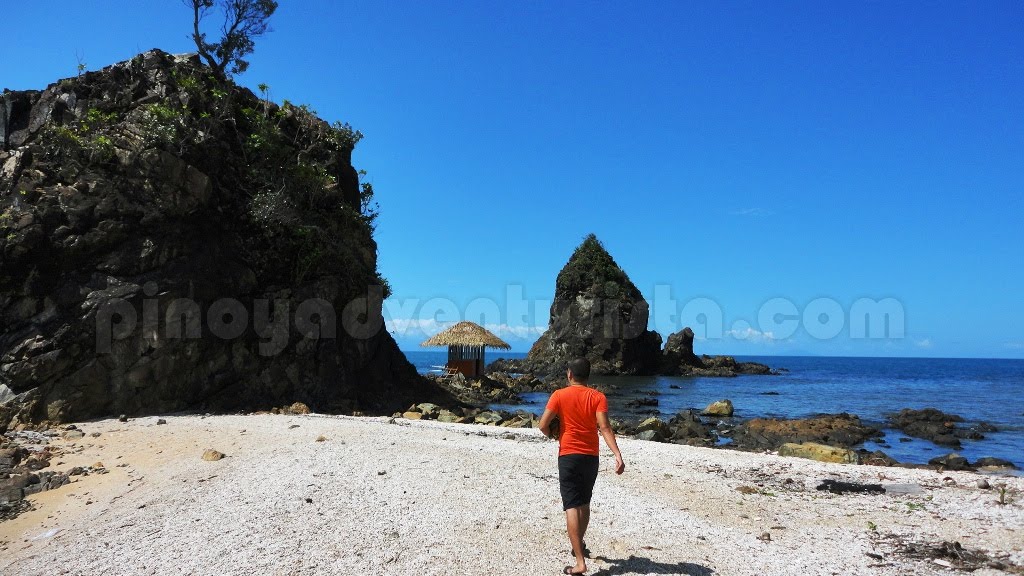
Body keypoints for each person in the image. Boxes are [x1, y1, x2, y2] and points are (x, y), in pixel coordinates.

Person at [538, 357, 625, 575]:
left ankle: (579, 562)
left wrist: (553, 435)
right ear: (588, 376)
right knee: (584, 503)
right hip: (590, 457)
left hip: (568, 455)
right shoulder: (598, 397)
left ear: (569, 374)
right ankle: (580, 544)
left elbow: (542, 425)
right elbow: (604, 427)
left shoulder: (559, 395)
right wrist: (617, 455)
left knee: (571, 506)